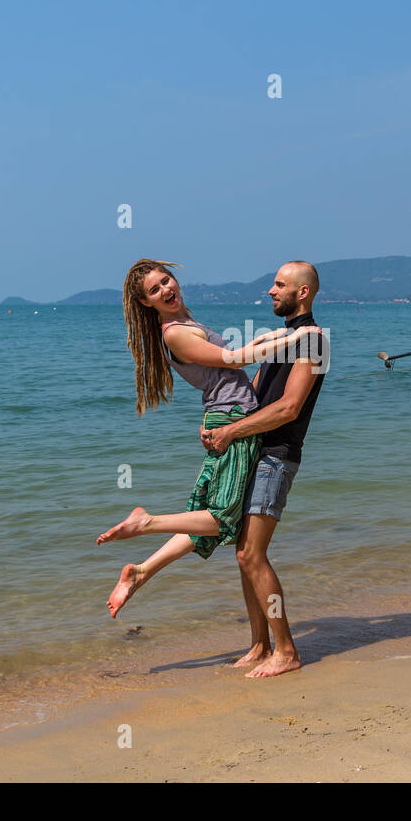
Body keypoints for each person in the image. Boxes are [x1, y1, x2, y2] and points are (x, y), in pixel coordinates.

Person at [99, 259, 319, 623]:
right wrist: (296, 339)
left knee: (206, 514)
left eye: (165, 281)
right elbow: (233, 358)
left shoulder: (188, 322)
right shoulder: (174, 332)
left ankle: (142, 571)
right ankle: (146, 523)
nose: (165, 290)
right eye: (154, 291)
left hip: (229, 415)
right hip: (232, 418)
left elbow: (236, 364)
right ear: (145, 303)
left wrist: (279, 338)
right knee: (222, 520)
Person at [199, 261, 327, 677]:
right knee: (242, 556)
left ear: (302, 292)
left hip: (277, 455)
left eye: (279, 285)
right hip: (256, 450)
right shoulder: (285, 338)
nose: (271, 291)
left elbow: (289, 408)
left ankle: (286, 651)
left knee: (252, 554)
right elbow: (253, 396)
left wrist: (233, 432)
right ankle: (259, 644)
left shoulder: (313, 341)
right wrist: (218, 427)